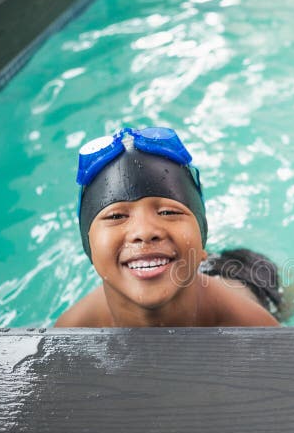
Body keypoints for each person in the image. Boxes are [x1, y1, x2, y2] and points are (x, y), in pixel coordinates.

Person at [55, 126, 278, 327]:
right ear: (89, 247)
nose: (144, 232)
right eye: (116, 216)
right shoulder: (73, 327)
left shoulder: (248, 322)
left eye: (168, 212)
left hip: (248, 278)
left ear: (202, 241)